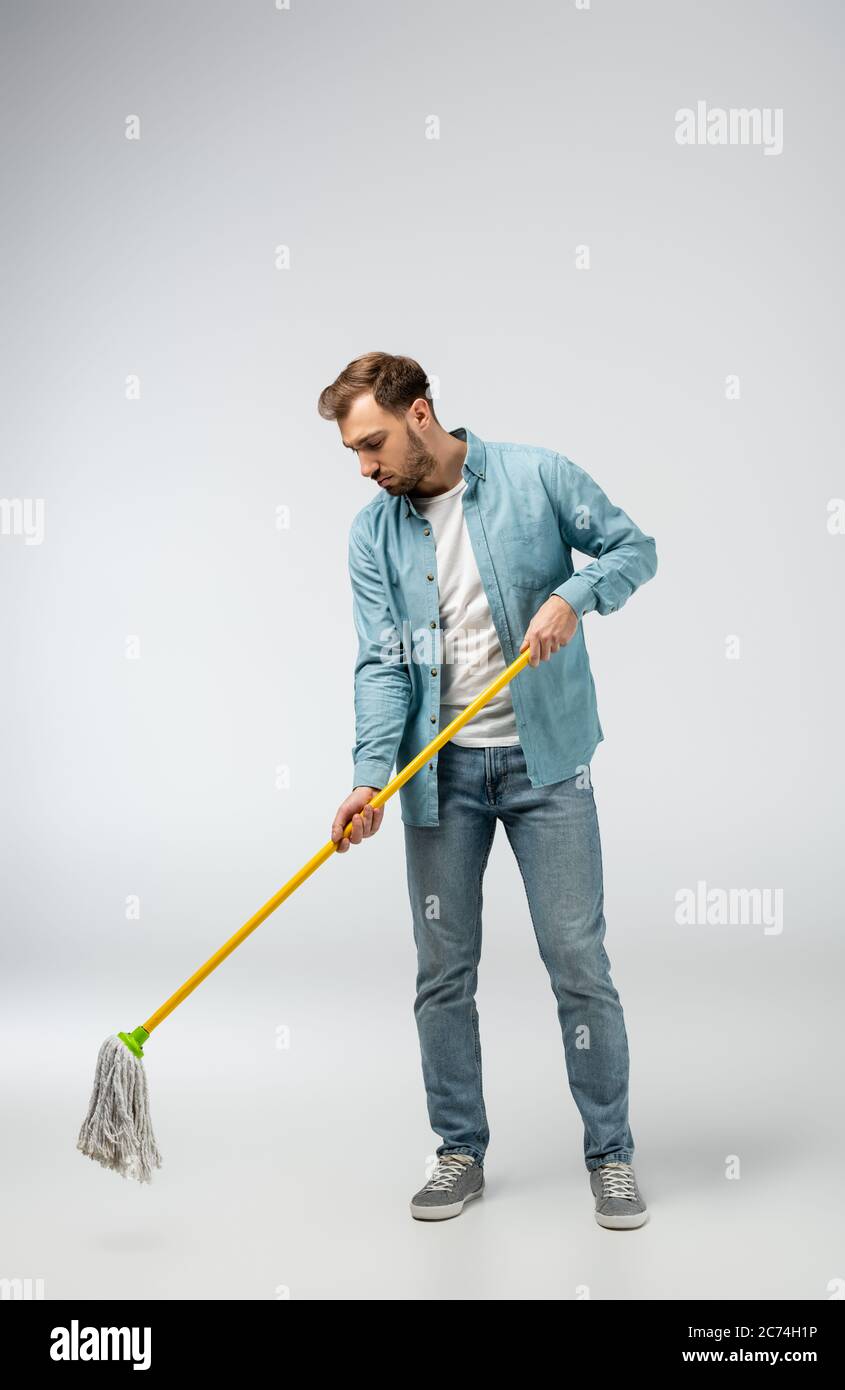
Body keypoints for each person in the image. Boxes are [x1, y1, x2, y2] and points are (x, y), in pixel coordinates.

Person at [318, 352, 658, 1228]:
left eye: (372, 444)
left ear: (420, 413)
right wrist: (369, 778)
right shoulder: (372, 534)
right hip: (441, 779)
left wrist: (574, 598)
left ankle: (611, 1157)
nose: (365, 467)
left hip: (547, 767)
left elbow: (633, 547)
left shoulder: (537, 476)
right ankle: (458, 1150)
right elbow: (381, 664)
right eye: (354, 453)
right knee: (442, 971)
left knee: (579, 965)